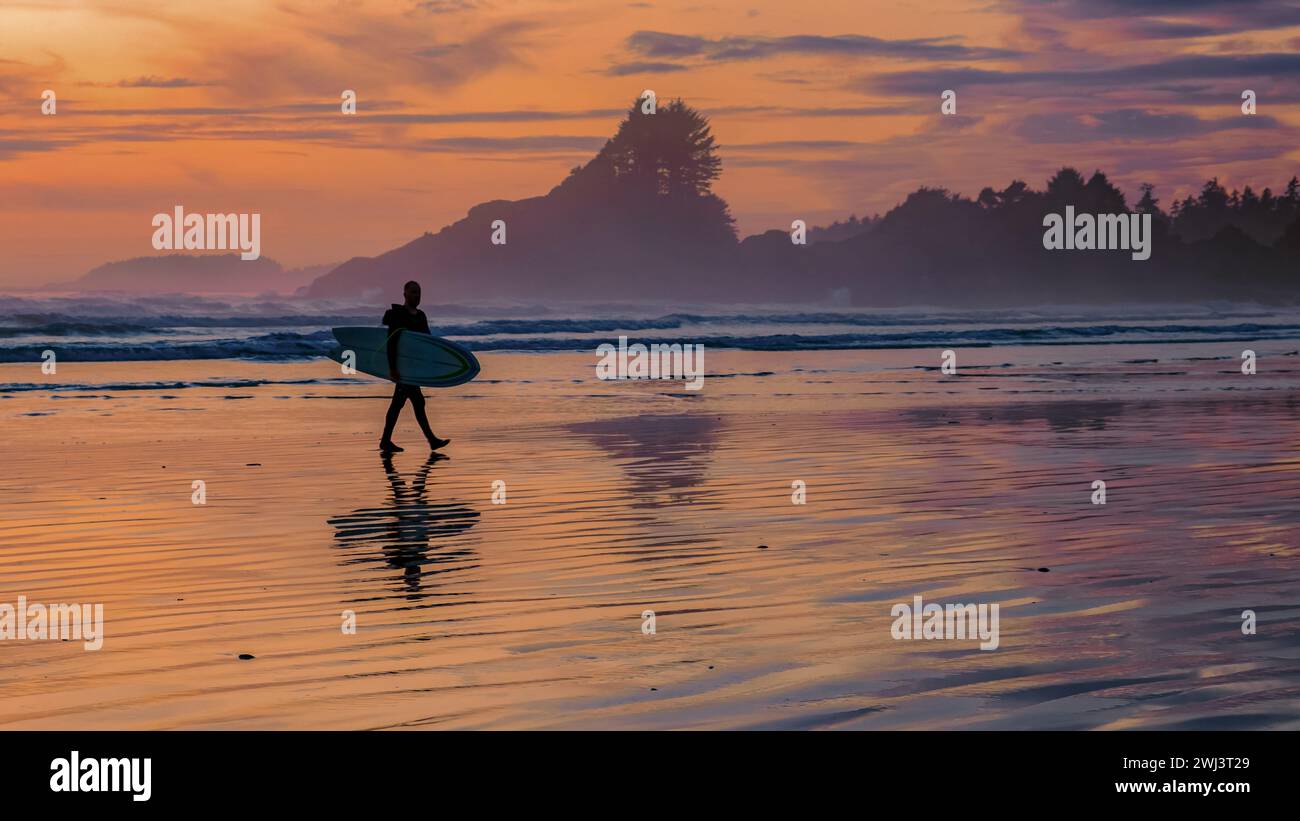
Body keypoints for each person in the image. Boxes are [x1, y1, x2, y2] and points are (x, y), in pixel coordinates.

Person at [379, 280, 450, 453]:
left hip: (414, 367)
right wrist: (393, 368)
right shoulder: (398, 315)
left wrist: (432, 364)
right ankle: (430, 440)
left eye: (418, 293)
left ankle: (386, 441)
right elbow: (392, 342)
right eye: (412, 292)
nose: (416, 296)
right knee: (414, 402)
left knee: (402, 403)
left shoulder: (420, 316)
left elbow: (427, 342)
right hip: (403, 367)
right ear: (404, 294)